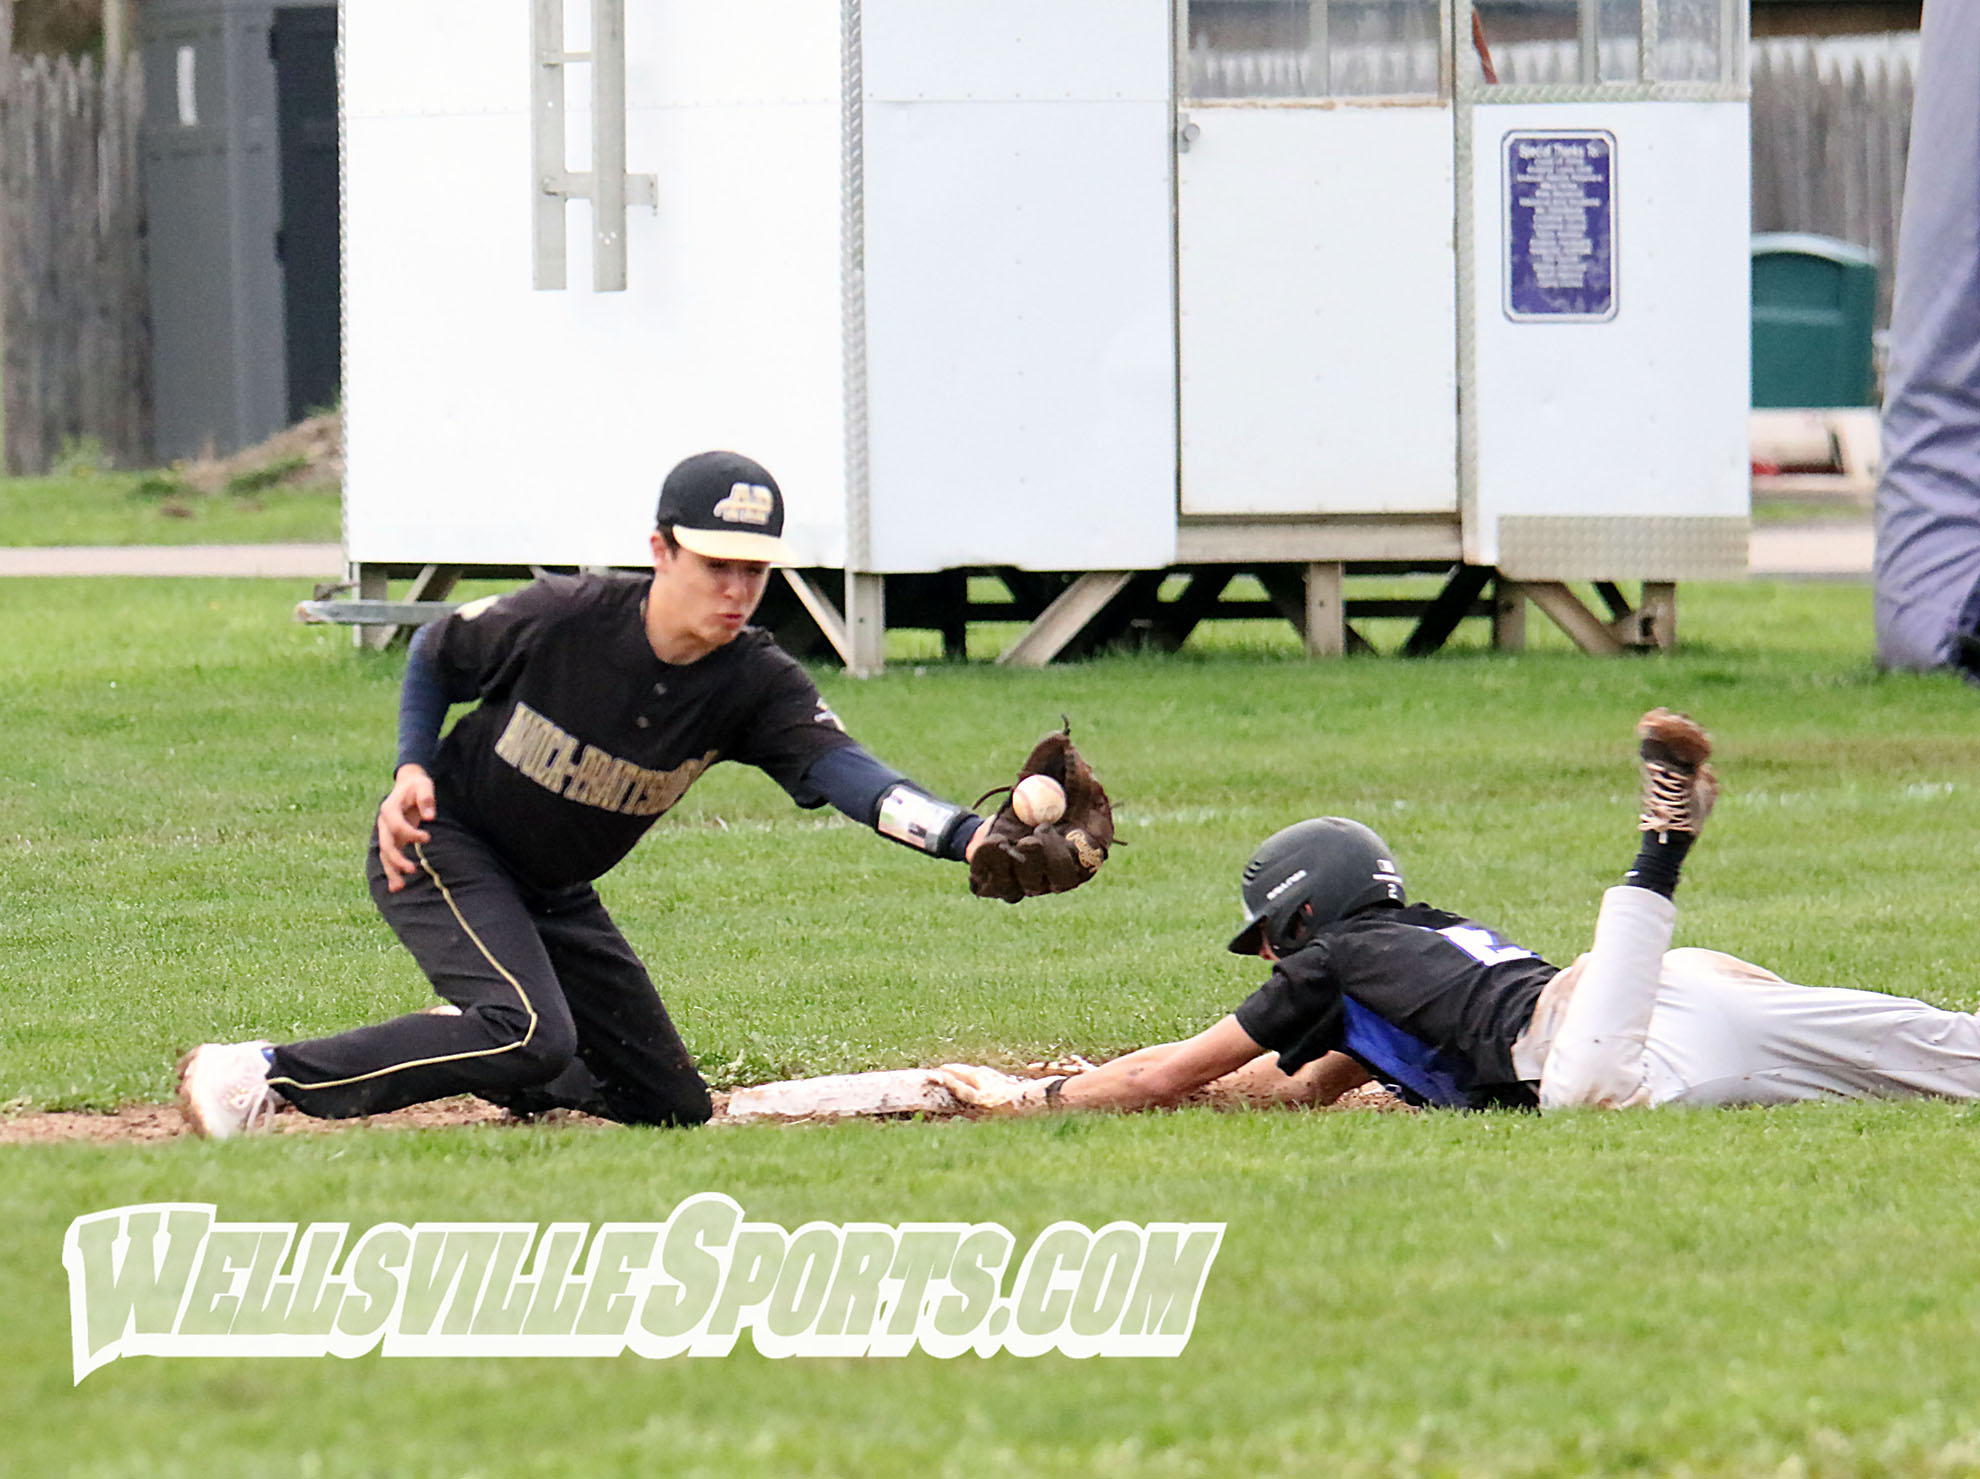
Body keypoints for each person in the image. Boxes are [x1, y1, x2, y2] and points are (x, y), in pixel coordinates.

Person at [178, 451, 1008, 1138]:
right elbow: (437, 649)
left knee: (670, 1108)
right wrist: (411, 767)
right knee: (534, 1032)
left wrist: (967, 835)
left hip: (554, 894)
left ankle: (486, 1036)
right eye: (715, 563)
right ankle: (261, 1072)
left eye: (753, 569)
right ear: (661, 550)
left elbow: (852, 776)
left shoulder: (754, 685)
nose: (736, 589)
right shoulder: (570, 615)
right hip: (446, 842)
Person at [938, 709, 1980, 1116]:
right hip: (1685, 992)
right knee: (1934, 1053)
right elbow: (1297, 1090)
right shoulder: (1417, 943)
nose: (1267, 958)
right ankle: (1659, 870)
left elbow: (1179, 1071)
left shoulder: (1335, 963)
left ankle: (1662, 843)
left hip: (1598, 1043)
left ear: (1305, 918)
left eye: (1269, 936)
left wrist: (1043, 1103)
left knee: (1582, 1096)